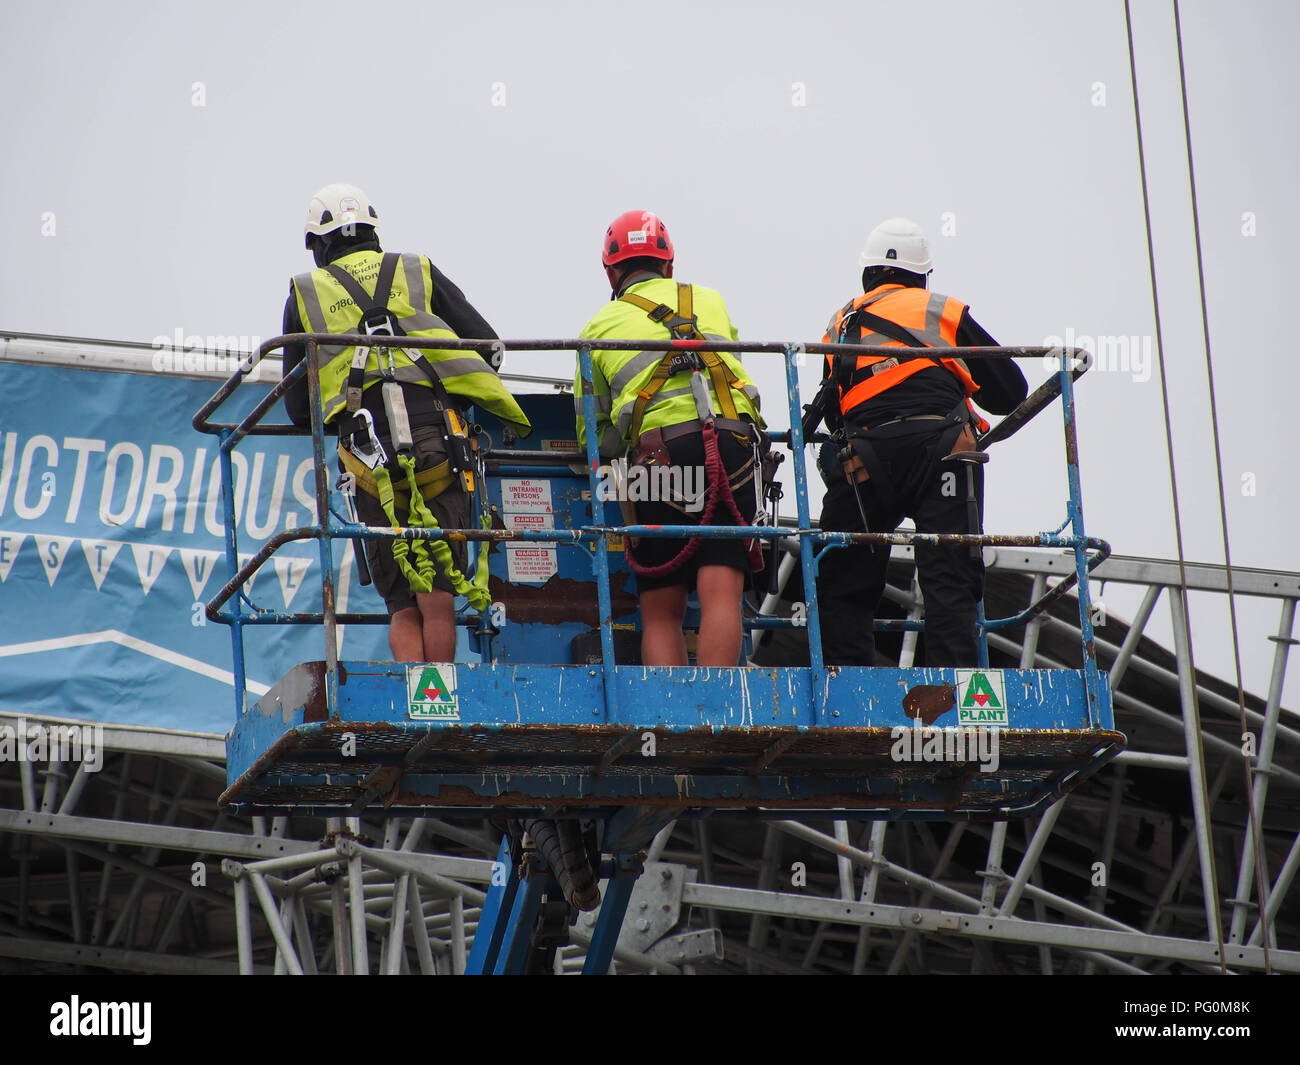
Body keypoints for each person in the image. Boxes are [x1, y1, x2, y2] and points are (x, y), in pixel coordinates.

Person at [281, 183, 531, 662]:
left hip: (367, 458)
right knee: (438, 601)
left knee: (403, 606)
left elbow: (298, 410)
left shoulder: (305, 294)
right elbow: (487, 348)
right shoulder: (414, 269)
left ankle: (418, 709)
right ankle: (444, 708)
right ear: (372, 231)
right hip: (436, 440)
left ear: (320, 244)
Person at [811, 217, 1028, 667]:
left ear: (868, 274)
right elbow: (1010, 392)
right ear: (922, 276)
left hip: (865, 461)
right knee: (950, 581)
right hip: (943, 454)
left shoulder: (839, 323)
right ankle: (963, 700)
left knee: (844, 578)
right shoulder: (941, 311)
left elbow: (834, 413)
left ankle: (846, 697)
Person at [576, 210, 766, 667]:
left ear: (610, 272)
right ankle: (721, 714)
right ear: (670, 265)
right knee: (721, 593)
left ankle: (673, 719)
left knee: (661, 610)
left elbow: (594, 438)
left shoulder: (597, 329)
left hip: (659, 459)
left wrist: (616, 461)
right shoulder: (710, 300)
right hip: (732, 446)